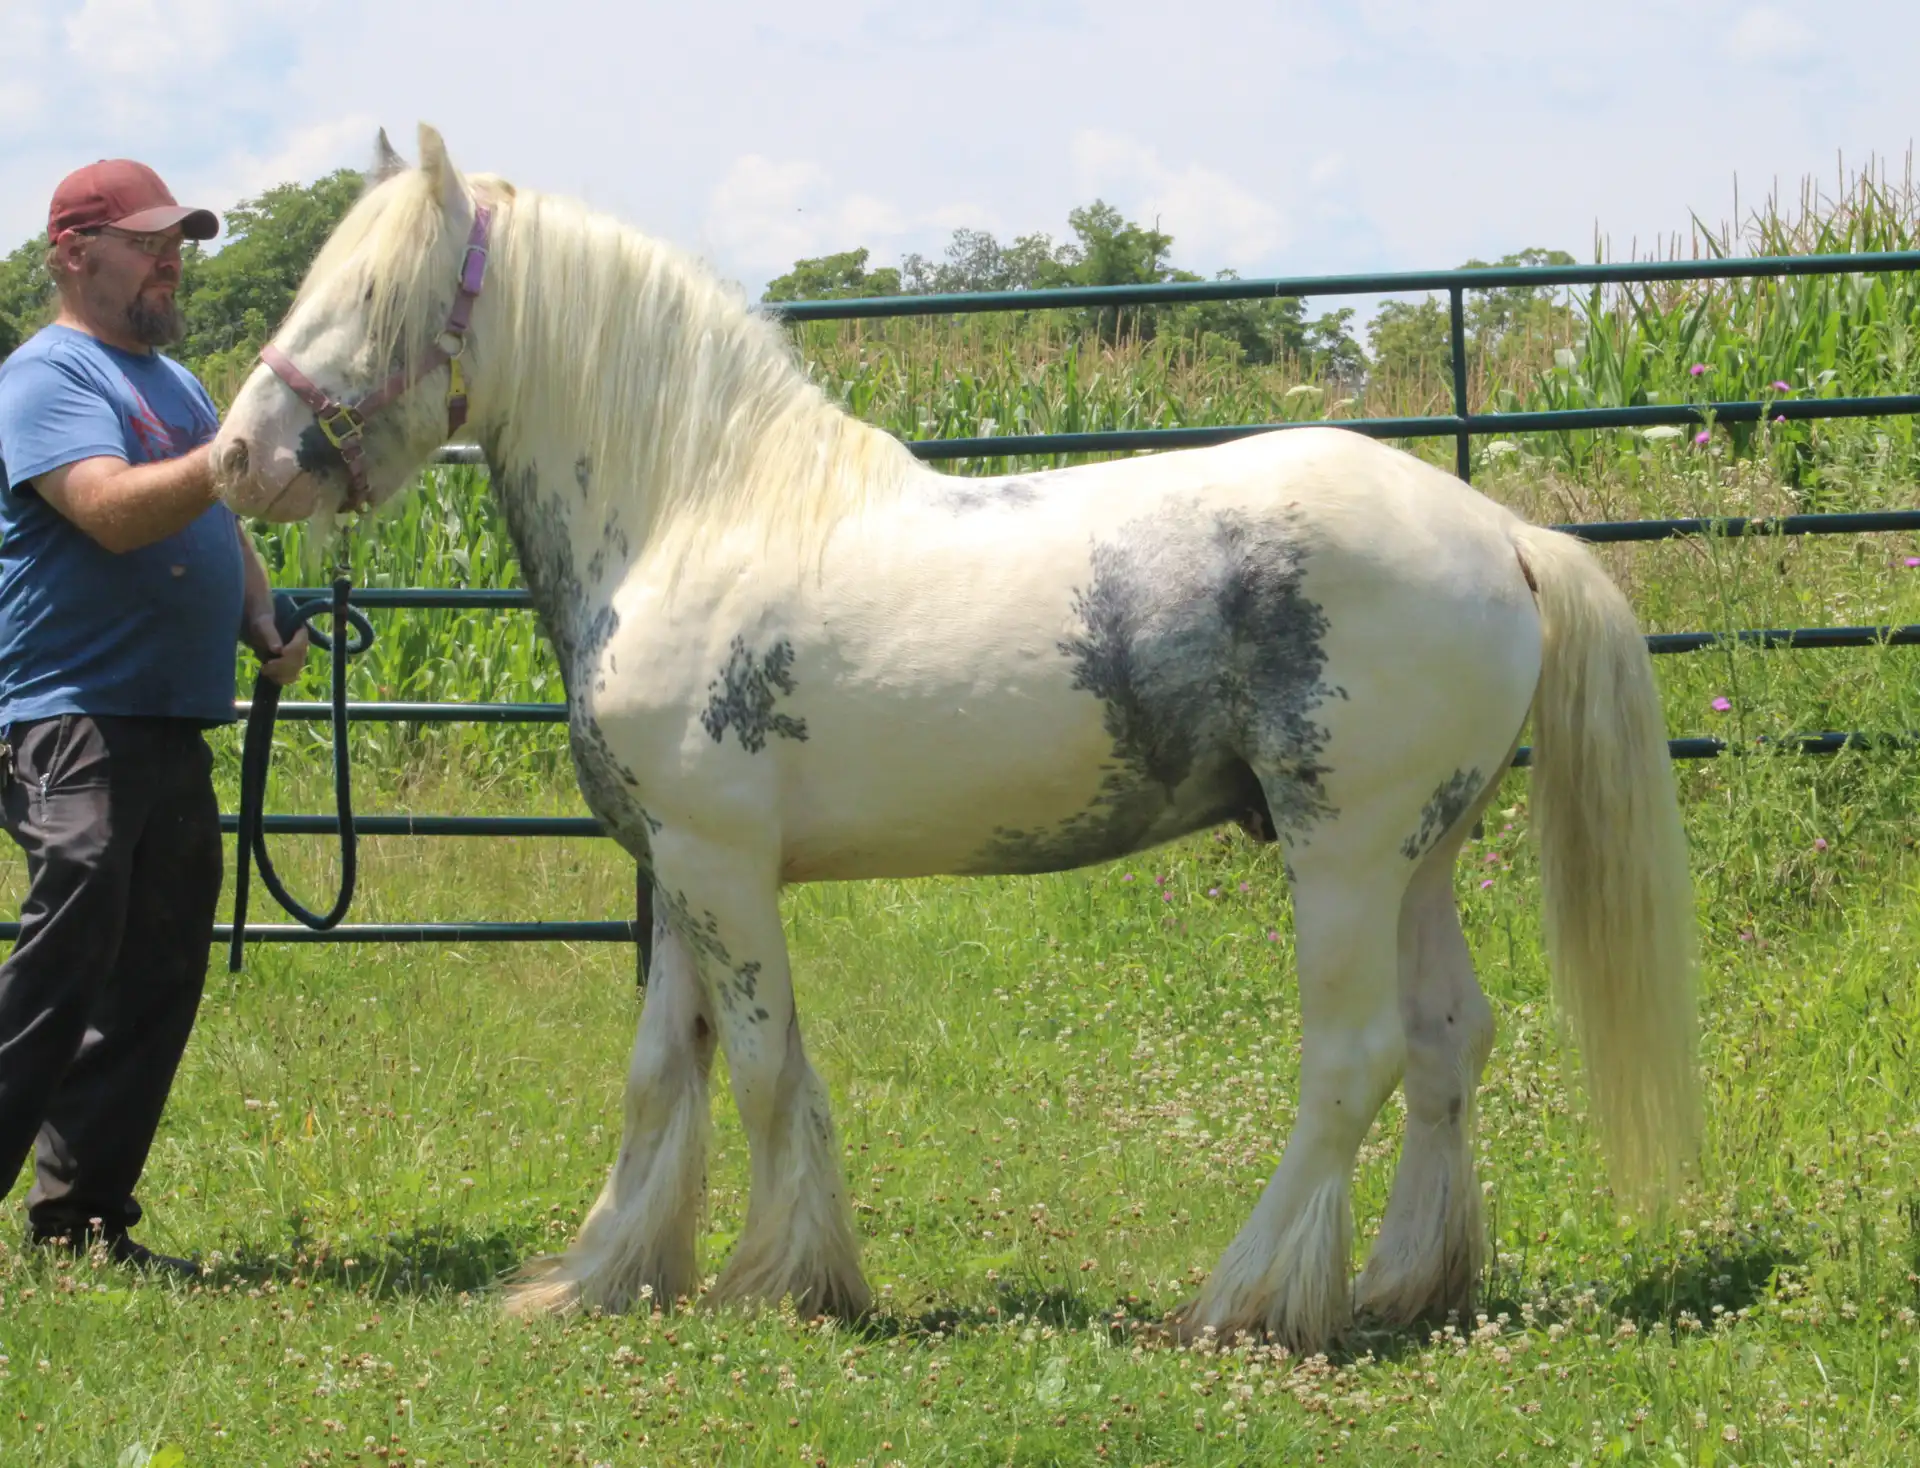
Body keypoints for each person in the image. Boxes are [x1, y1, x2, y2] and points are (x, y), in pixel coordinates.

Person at [0, 159, 309, 1274]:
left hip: (169, 718)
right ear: (75, 254)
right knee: (76, 918)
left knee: (160, 960)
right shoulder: (50, 376)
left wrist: (263, 623)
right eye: (145, 240)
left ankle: (81, 1220)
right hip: (69, 712)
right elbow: (111, 514)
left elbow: (218, 534)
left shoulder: (175, 384)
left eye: (178, 239)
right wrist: (229, 459)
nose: (171, 256)